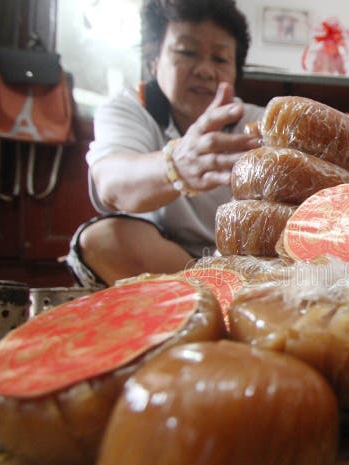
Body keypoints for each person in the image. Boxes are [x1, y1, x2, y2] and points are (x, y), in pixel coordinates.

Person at [66, 0, 263, 288]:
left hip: (245, 264)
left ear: (235, 71)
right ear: (154, 59)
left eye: (220, 59)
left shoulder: (260, 121)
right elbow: (111, 184)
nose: (205, 71)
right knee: (103, 239)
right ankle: (210, 295)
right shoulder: (128, 109)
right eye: (186, 52)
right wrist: (176, 165)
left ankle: (216, 294)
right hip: (166, 259)